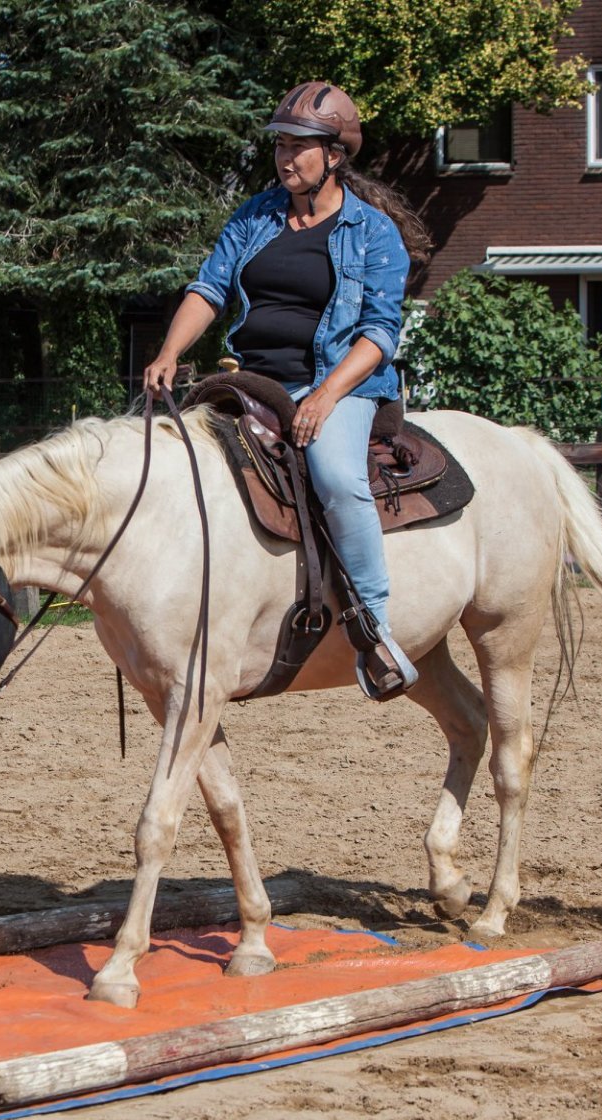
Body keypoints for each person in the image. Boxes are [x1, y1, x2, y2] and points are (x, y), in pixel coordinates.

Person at [143, 80, 432, 699]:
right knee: (176, 457)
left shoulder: (372, 232)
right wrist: (170, 352)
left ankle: (374, 628)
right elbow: (209, 289)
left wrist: (325, 398)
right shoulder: (255, 216)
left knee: (335, 475)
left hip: (342, 383)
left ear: (335, 154)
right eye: (281, 145)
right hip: (252, 376)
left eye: (301, 146)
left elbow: (380, 332)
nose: (286, 157)